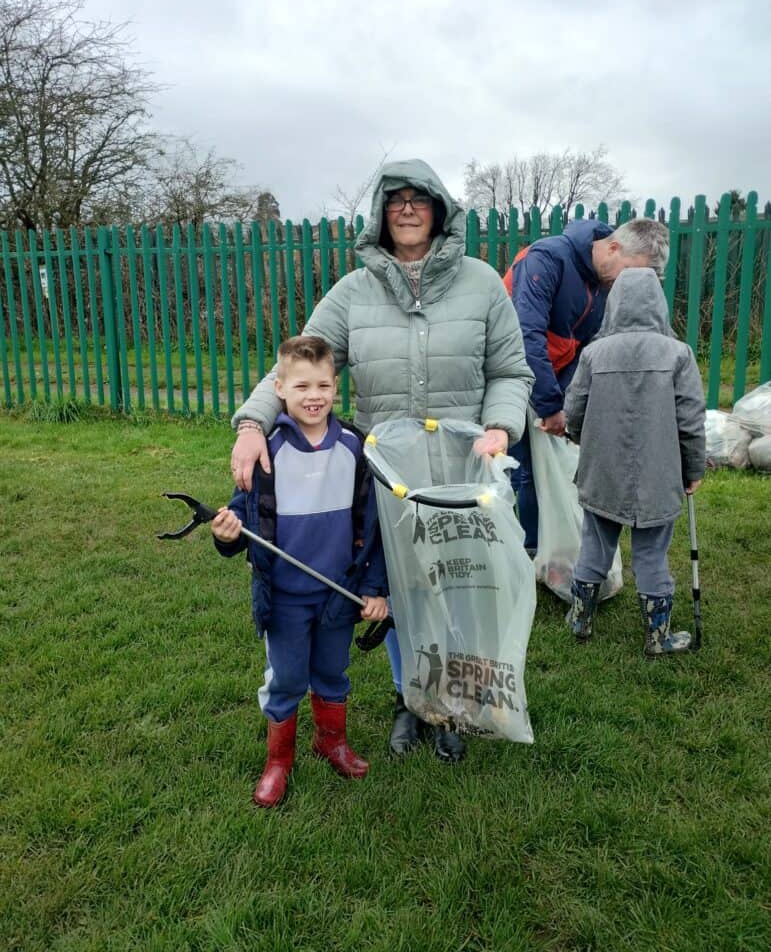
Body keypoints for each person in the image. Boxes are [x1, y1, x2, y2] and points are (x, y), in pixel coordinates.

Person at [229, 157, 534, 763]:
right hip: (382, 483)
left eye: (420, 198)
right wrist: (250, 423)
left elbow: (509, 371)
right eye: (395, 200)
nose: (408, 209)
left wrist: (501, 426)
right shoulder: (352, 292)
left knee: (454, 588)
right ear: (381, 213)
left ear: (439, 208)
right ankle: (408, 697)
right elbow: (297, 365)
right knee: (396, 589)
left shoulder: (480, 284)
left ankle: (451, 704)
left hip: (458, 472)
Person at [212, 335, 389, 808]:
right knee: (287, 676)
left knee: (333, 671)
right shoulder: (266, 451)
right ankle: (279, 761)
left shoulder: (355, 448)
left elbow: (374, 529)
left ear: (337, 388)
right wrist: (227, 533)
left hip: (340, 596)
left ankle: (330, 741)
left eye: (325, 385)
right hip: (286, 597)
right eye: (302, 385)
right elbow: (240, 516)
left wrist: (374, 588)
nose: (315, 396)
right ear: (279, 389)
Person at [504, 217, 671, 555]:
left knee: (541, 471)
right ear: (613, 248)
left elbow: (583, 348)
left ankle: (543, 551)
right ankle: (517, 551)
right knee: (516, 467)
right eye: (629, 272)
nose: (628, 284)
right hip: (505, 374)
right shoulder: (546, 258)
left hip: (546, 378)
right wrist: (551, 405)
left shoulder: (603, 283)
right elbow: (525, 335)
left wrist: (567, 401)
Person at [563, 268, 706, 655]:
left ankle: (580, 620)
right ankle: (657, 638)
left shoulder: (593, 353)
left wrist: (581, 439)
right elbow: (690, 420)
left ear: (615, 305)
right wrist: (692, 469)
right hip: (658, 474)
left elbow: (573, 410)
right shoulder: (678, 354)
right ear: (657, 305)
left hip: (602, 470)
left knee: (594, 543)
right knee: (652, 553)